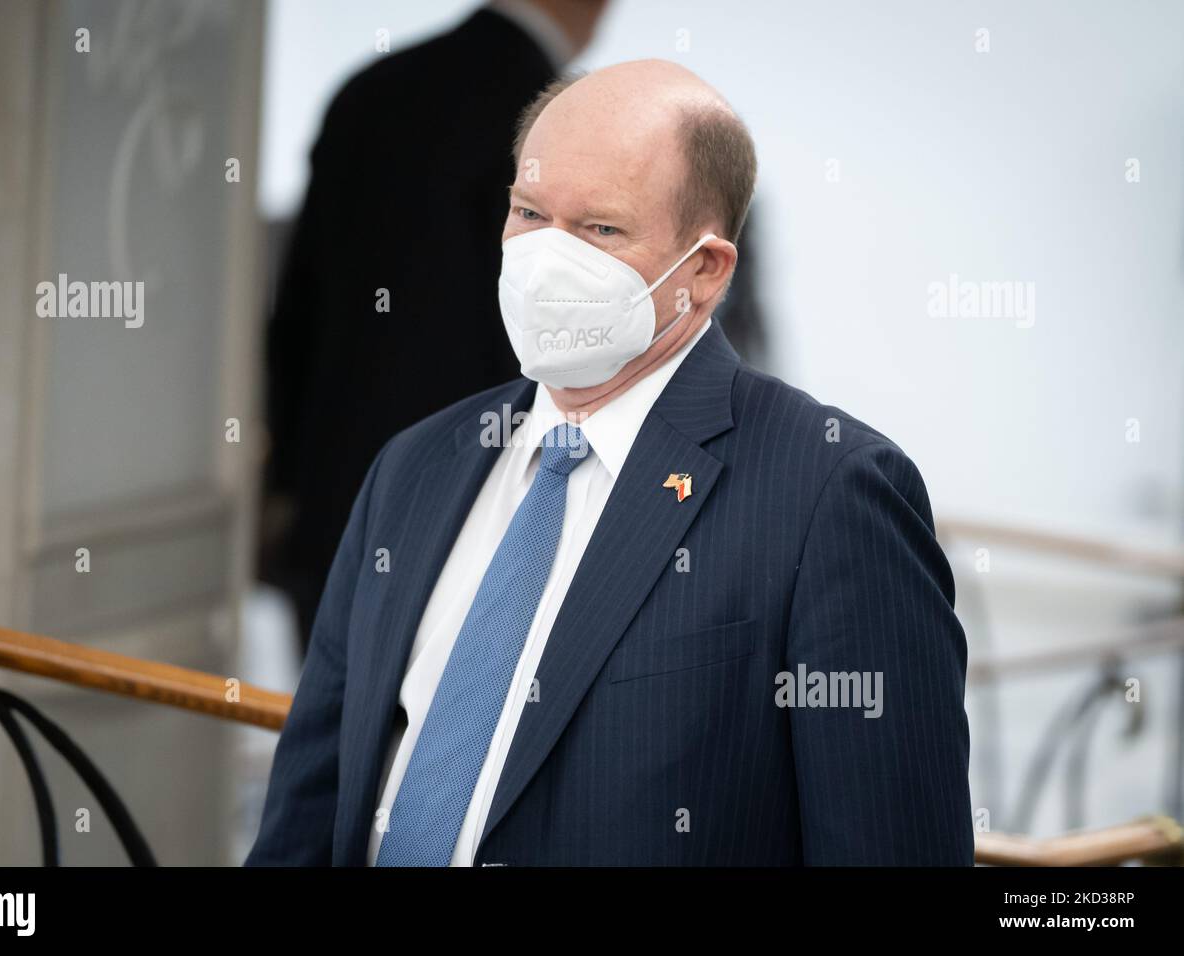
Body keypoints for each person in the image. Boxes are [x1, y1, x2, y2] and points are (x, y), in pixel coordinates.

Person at [247, 59, 973, 866]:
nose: (545, 261)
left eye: (601, 229)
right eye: (529, 212)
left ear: (703, 271)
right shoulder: (415, 467)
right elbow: (309, 806)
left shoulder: (827, 495)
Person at [260, 0, 608, 648]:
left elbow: (295, 311)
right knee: (466, 742)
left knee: (340, 739)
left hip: (340, 504)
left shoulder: (368, 91)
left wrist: (285, 487)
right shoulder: (565, 125)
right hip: (483, 513)